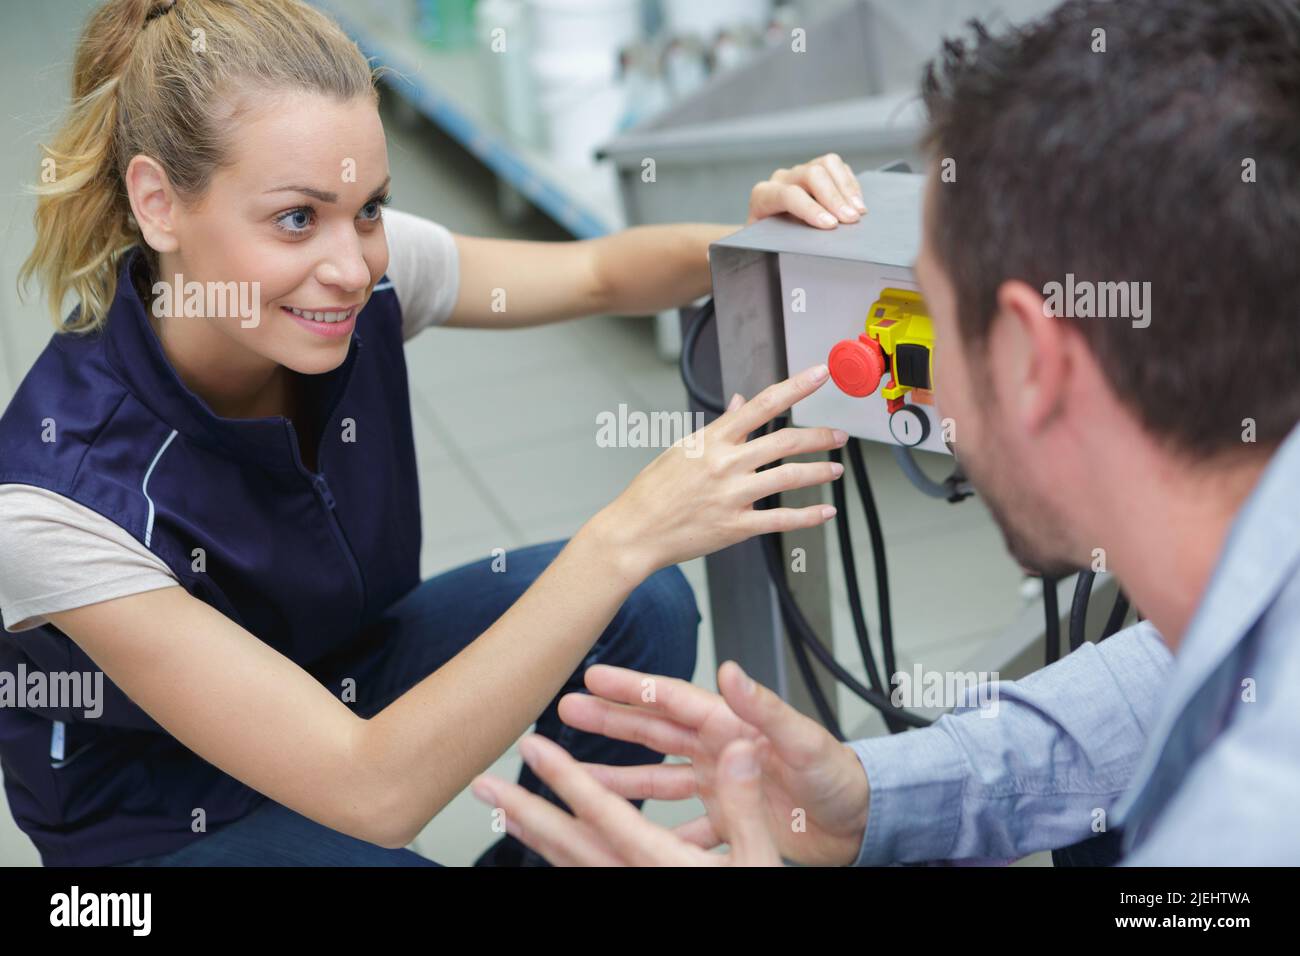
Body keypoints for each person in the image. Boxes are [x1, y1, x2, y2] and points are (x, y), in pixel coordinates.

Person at [0, 0, 863, 866]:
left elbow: (600, 274)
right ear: (157, 203)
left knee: (639, 608)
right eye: (297, 218)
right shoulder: (55, 500)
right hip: (160, 822)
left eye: (369, 208)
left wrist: (759, 238)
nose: (350, 266)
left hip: (331, 680)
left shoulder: (352, 275)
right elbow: (373, 792)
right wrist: (628, 532)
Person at [469, 0, 1300, 866]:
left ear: (1030, 362)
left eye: (931, 319)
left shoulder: (1240, 824)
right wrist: (874, 797)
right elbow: (1169, 675)